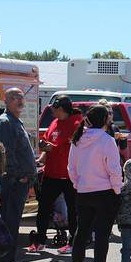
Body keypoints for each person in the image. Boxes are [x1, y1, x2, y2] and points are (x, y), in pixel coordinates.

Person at [68, 104, 123, 262]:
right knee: (102, 234)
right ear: (106, 120)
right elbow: (114, 169)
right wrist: (117, 190)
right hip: (105, 192)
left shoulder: (78, 139)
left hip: (84, 191)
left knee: (81, 232)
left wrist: (78, 184)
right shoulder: (107, 140)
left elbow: (71, 168)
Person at [0, 87, 36, 262]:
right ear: (6, 101)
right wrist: (19, 175)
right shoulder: (5, 122)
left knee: (12, 223)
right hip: (13, 182)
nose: (19, 100)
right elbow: (5, 153)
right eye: (14, 97)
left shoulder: (15, 121)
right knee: (10, 224)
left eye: (20, 96)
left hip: (18, 181)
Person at [30, 95, 80, 252]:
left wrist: (53, 148)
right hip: (52, 173)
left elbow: (74, 147)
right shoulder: (54, 122)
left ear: (63, 109)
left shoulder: (77, 124)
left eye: (55, 109)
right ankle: (40, 241)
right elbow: (47, 142)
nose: (52, 112)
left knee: (73, 209)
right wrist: (42, 155)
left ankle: (73, 243)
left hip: (70, 175)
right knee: (43, 207)